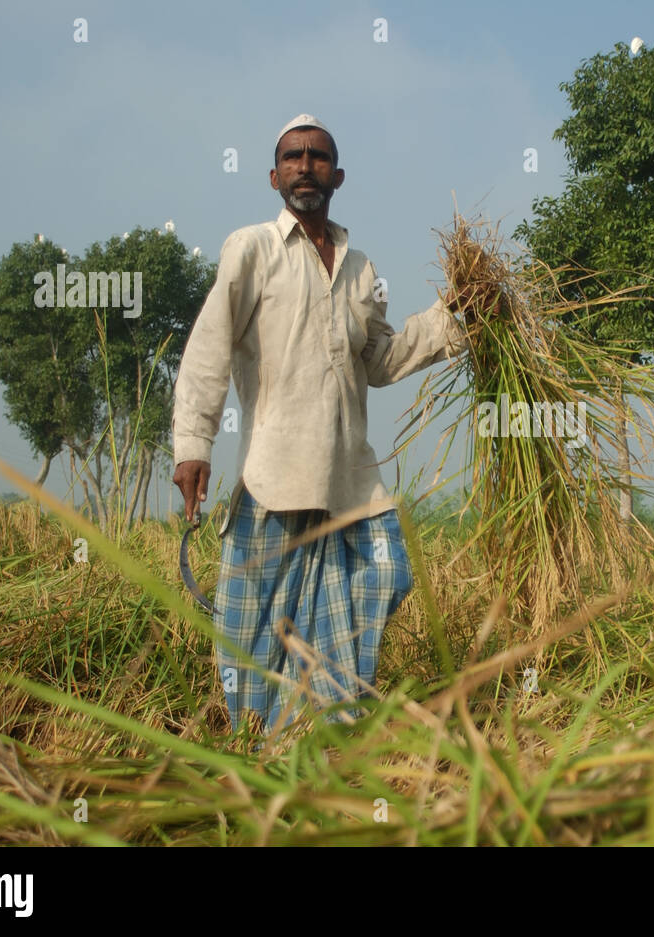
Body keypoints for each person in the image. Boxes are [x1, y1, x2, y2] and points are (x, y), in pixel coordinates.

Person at [171, 114, 467, 732]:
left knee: (388, 572)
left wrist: (452, 318)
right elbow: (208, 348)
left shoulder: (361, 269)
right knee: (256, 626)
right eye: (293, 156)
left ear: (337, 175)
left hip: (348, 477)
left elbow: (380, 361)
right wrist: (193, 444)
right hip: (275, 473)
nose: (305, 165)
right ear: (274, 175)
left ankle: (327, 727)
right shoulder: (250, 249)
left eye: (317, 156)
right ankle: (260, 742)